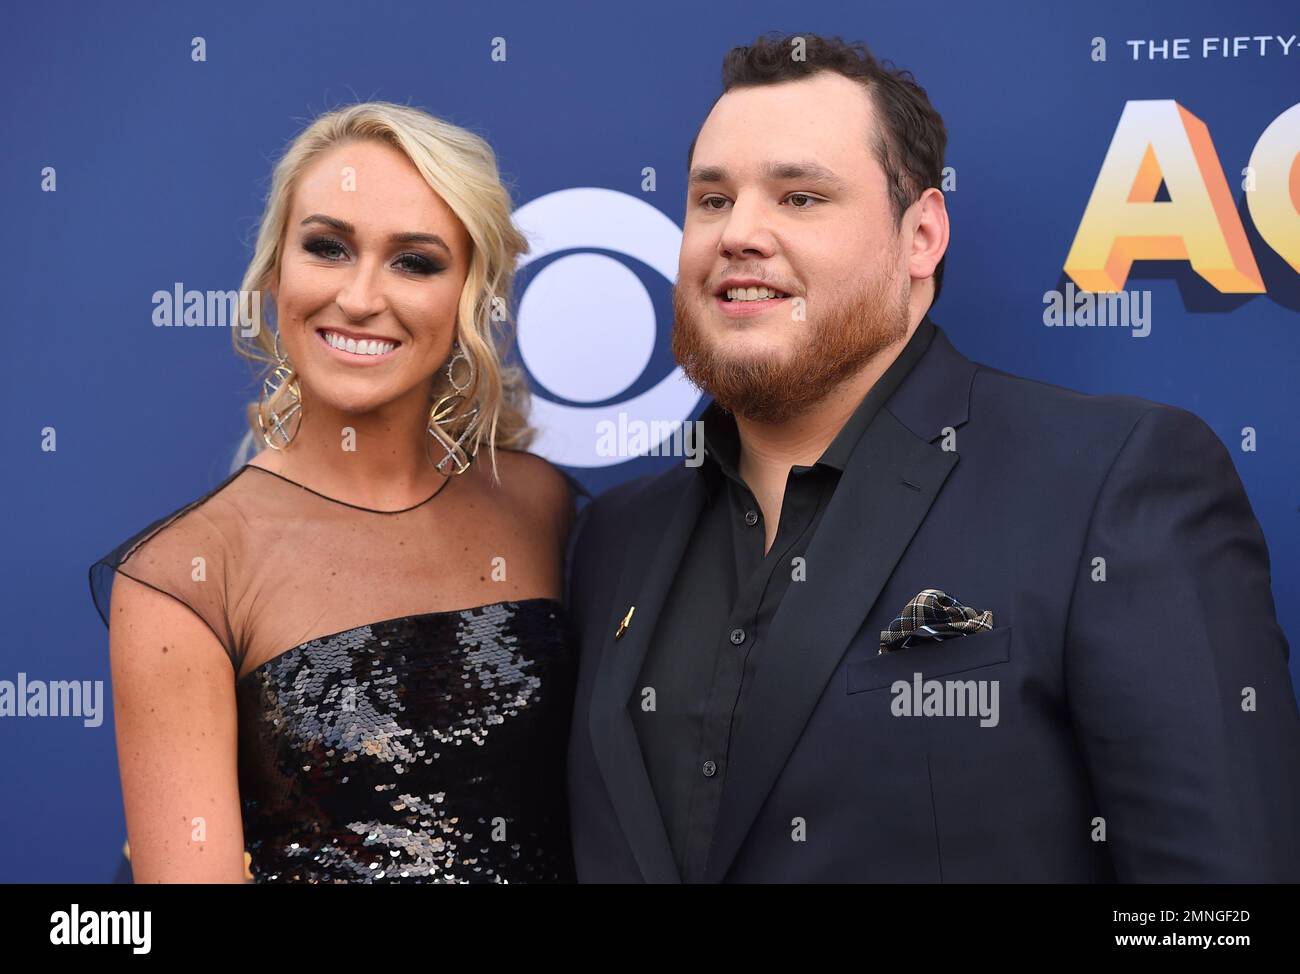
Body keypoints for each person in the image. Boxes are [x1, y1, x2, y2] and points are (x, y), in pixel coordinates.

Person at [565, 33, 1300, 883]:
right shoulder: (610, 542)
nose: (741, 234)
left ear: (921, 236)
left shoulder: (1109, 482)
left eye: (800, 197)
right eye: (712, 200)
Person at [90, 101, 581, 883]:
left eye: (414, 261)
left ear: (470, 297)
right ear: (276, 269)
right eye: (327, 247)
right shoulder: (185, 577)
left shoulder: (539, 505)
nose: (359, 297)